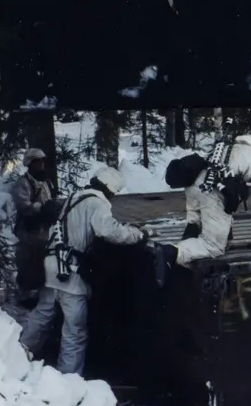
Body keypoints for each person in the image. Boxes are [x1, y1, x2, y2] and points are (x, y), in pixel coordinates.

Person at [18, 166, 153, 377]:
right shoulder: (97, 203)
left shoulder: (74, 198)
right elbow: (110, 231)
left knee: (42, 314)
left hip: (52, 265)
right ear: (110, 189)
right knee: (74, 328)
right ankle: (69, 376)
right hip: (70, 272)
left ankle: (19, 355)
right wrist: (139, 234)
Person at [155, 135, 251, 282]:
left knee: (196, 227)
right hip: (213, 190)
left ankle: (185, 252)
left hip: (195, 184)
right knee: (213, 246)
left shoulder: (233, 148)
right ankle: (170, 253)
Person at [11, 148, 55, 306]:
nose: (41, 164)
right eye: (37, 161)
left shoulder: (47, 182)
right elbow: (23, 205)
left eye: (42, 161)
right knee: (27, 262)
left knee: (42, 261)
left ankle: (39, 293)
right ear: (29, 164)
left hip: (44, 229)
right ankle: (25, 295)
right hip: (28, 229)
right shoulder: (23, 183)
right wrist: (39, 207)